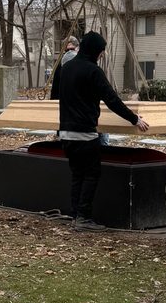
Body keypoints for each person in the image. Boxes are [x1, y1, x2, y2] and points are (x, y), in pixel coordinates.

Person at [50, 30, 149, 231]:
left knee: (77, 175)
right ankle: (84, 218)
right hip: (85, 134)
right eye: (101, 51)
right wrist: (134, 119)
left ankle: (76, 215)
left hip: (66, 134)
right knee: (91, 174)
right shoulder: (93, 71)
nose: (102, 55)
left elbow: (58, 98)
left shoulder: (67, 68)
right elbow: (112, 100)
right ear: (95, 50)